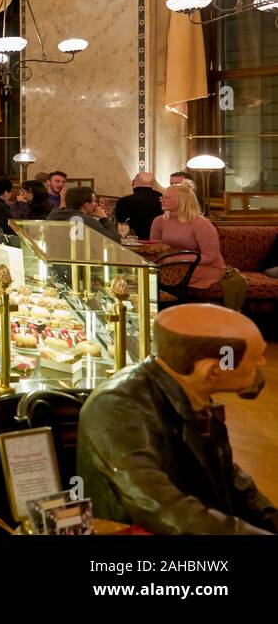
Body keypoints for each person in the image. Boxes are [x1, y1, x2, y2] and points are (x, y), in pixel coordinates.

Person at [77, 303, 274, 534]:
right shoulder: (116, 407)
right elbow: (160, 507)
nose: (263, 363)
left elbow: (233, 483)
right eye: (256, 357)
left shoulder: (194, 394)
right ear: (212, 370)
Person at [150, 184, 230, 298]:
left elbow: (210, 256)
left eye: (168, 197)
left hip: (205, 267)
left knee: (172, 275)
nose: (163, 200)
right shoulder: (158, 221)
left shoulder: (201, 223)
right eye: (162, 197)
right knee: (151, 274)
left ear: (183, 201)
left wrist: (177, 259)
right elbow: (154, 249)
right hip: (171, 265)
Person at [47, 185, 121, 241]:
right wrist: (104, 218)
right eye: (94, 201)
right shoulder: (85, 220)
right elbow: (114, 240)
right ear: (86, 205)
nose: (96, 204)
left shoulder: (55, 215)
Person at [114, 172, 162, 240]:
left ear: (133, 182)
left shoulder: (125, 201)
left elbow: (121, 224)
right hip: (159, 242)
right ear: (152, 184)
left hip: (133, 242)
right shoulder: (163, 198)